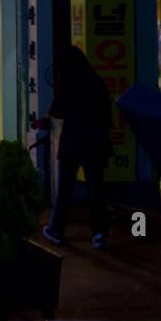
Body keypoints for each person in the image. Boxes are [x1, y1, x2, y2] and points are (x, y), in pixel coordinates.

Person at [41, 45, 114, 249]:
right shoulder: (96, 81)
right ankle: (99, 233)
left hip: (73, 141)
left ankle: (56, 230)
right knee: (96, 188)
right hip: (96, 142)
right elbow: (107, 114)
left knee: (65, 188)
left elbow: (57, 110)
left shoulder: (69, 84)